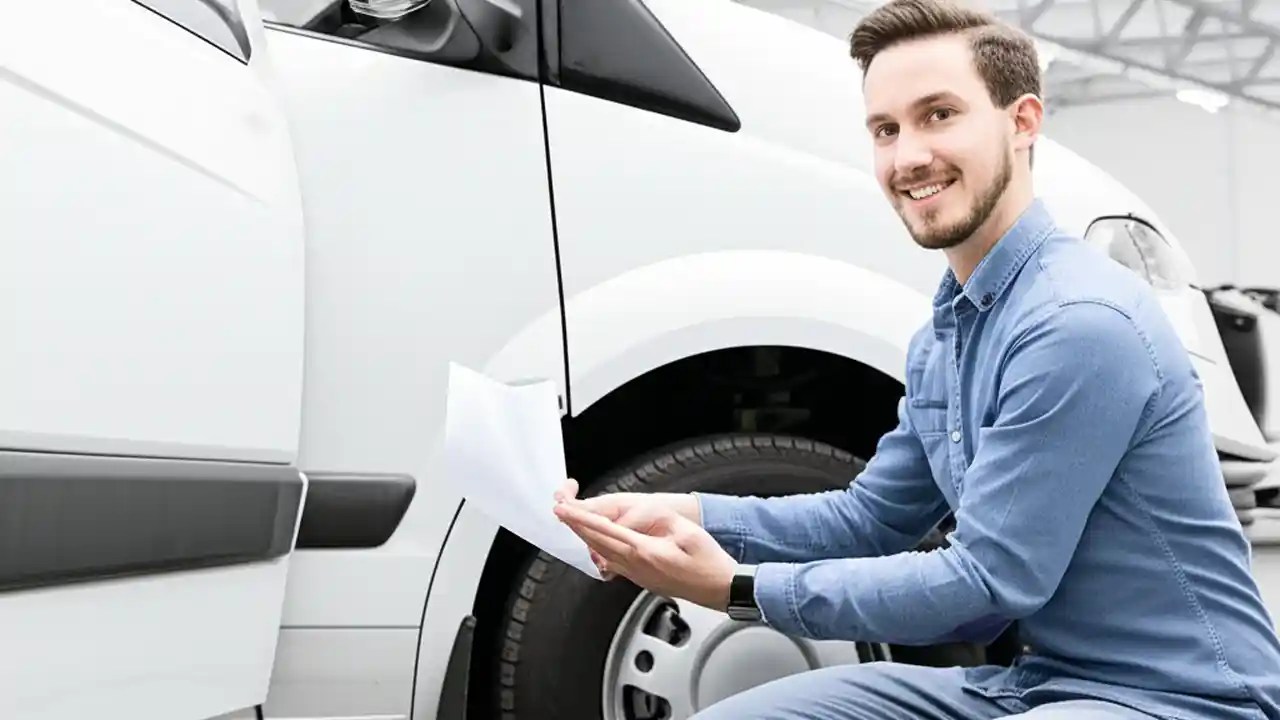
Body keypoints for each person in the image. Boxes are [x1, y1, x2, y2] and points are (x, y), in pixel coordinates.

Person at [553, 0, 1280, 717]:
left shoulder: (1077, 324)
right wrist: (687, 512)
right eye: (885, 129)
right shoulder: (946, 334)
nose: (908, 156)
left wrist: (738, 590)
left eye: (940, 115)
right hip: (1038, 686)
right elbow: (867, 518)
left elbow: (986, 586)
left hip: (1186, 699)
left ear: (1023, 121)